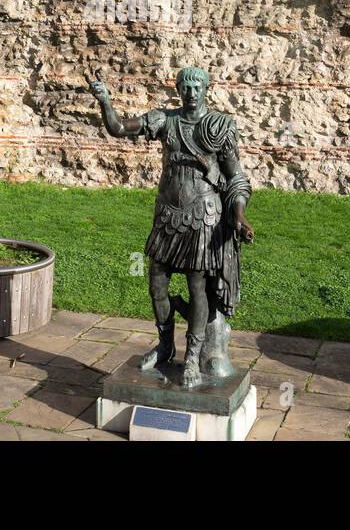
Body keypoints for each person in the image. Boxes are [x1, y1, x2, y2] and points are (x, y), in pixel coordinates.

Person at [90, 66, 254, 388]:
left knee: (197, 288)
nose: (191, 93)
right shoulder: (165, 120)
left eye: (197, 87)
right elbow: (119, 128)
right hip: (167, 215)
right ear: (178, 89)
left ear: (206, 89)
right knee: (156, 285)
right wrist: (105, 100)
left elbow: (235, 176)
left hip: (203, 216)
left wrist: (239, 214)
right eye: (186, 87)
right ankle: (166, 344)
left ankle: (192, 357)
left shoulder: (219, 126)